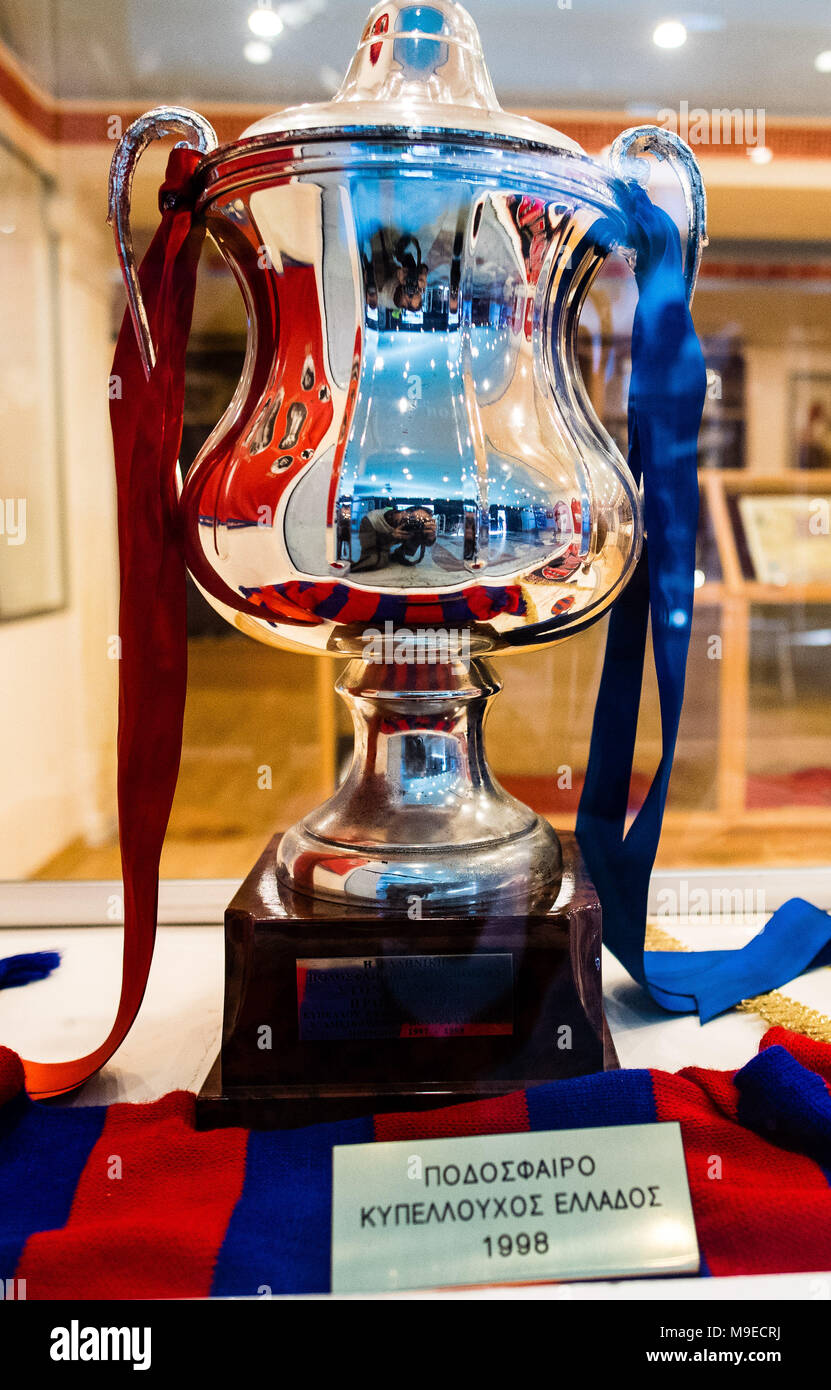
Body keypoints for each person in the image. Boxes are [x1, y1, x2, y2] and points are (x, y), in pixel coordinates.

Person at [352, 506, 436, 571]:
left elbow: (427, 543)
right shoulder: (371, 519)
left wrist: (430, 536)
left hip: (394, 549)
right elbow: (367, 546)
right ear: (403, 513)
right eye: (413, 519)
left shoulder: (414, 528)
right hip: (377, 542)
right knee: (376, 560)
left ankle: (397, 555)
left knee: (417, 535)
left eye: (421, 521)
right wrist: (391, 536)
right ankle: (387, 555)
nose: (415, 523)